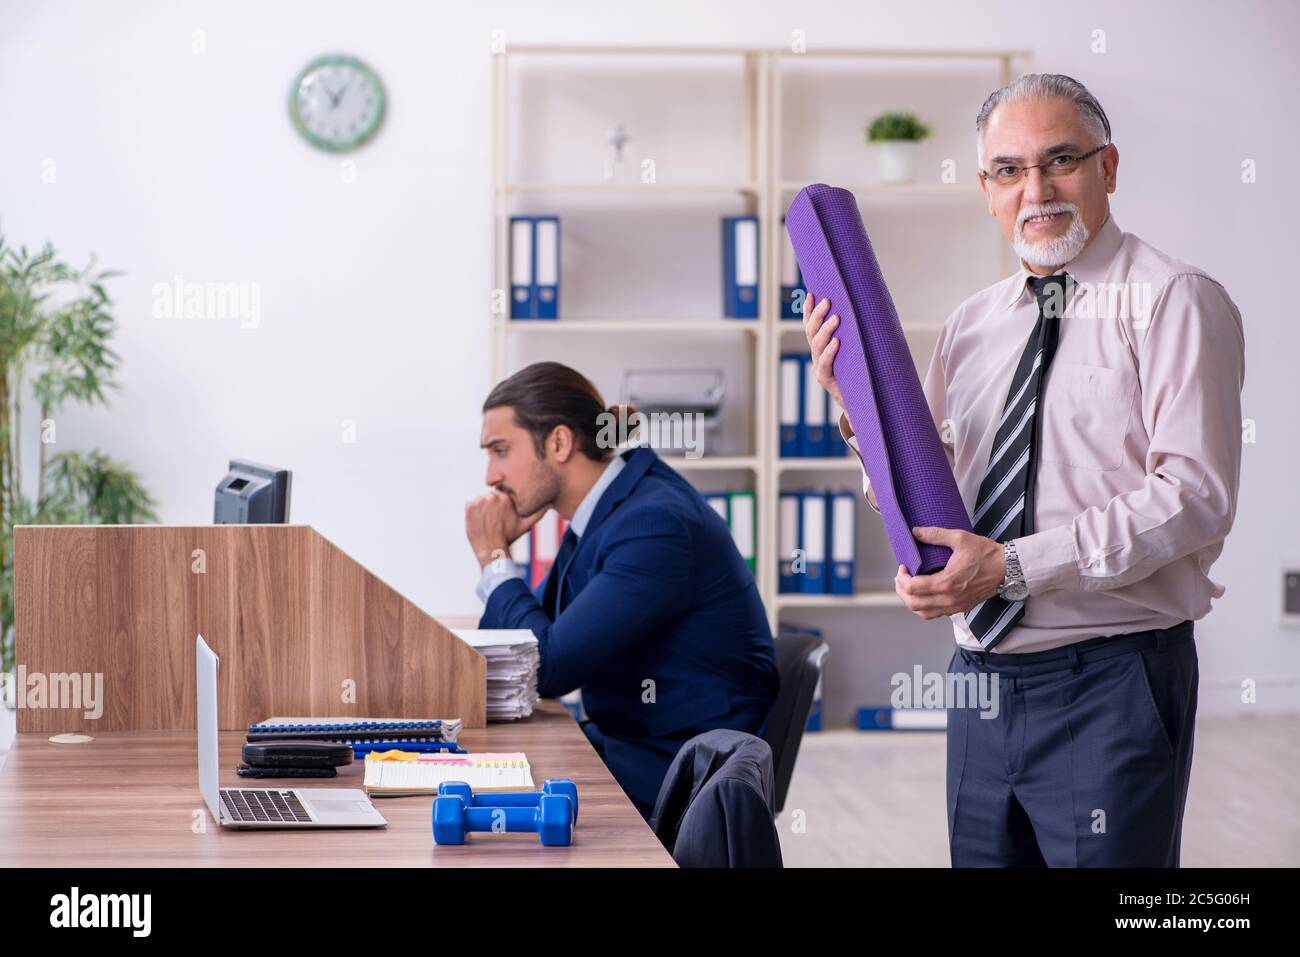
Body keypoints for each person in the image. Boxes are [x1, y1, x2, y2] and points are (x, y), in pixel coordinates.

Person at [804, 73, 1244, 866]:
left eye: (1060, 160)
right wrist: (854, 405)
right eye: (1009, 170)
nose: (1035, 189)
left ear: (1107, 167)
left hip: (1110, 682)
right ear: (986, 189)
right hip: (978, 681)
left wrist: (1009, 567)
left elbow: (1194, 497)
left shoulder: (1173, 300)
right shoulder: (973, 324)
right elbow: (922, 489)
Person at [464, 361, 779, 818]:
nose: (491, 476)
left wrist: (494, 556)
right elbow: (528, 643)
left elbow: (543, 666)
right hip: (633, 746)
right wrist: (499, 557)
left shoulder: (654, 523)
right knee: (471, 771)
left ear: (558, 442)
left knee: (476, 795)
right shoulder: (608, 511)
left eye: (500, 450)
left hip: (675, 778)